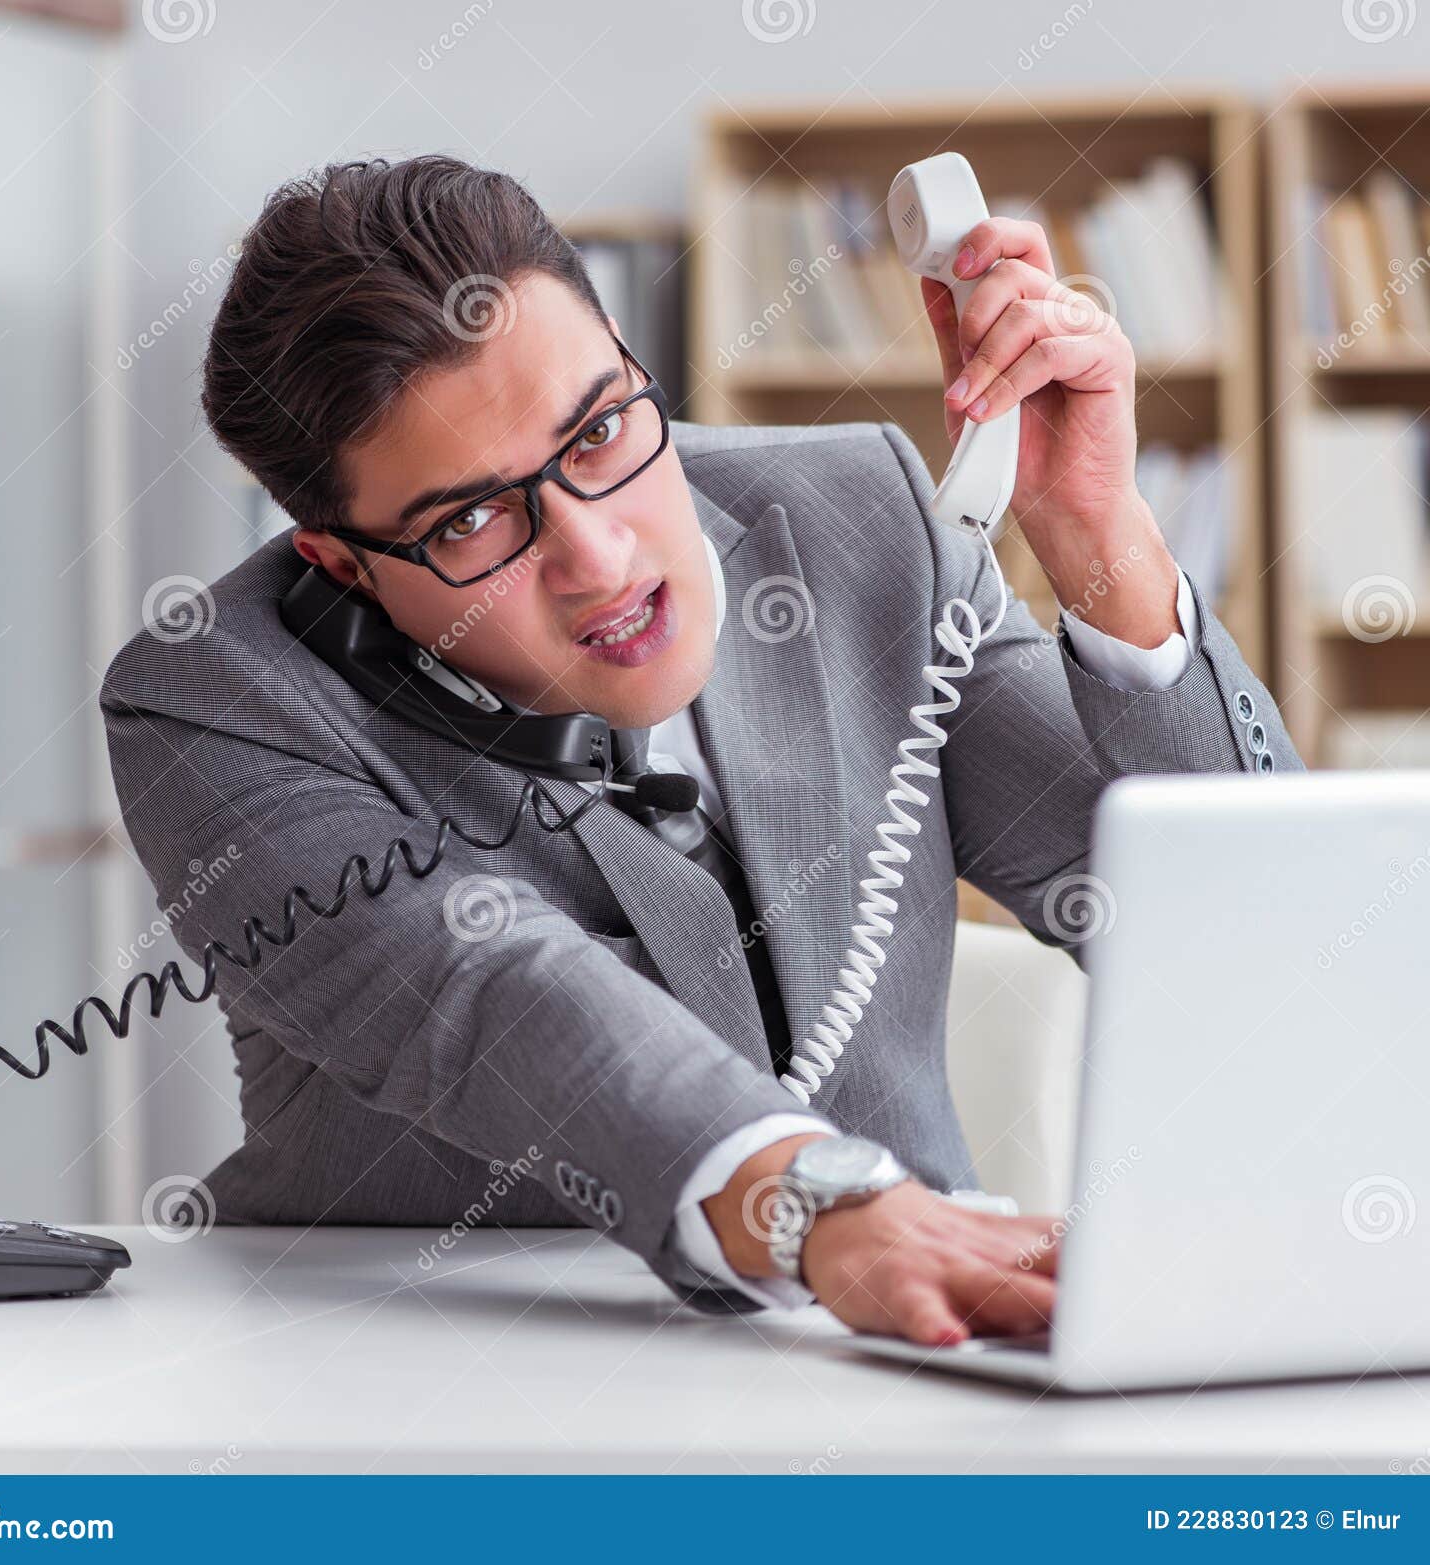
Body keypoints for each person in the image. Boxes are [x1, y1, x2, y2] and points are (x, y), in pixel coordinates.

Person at [100, 154, 1299, 1345]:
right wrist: (822, 1207)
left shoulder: (860, 521)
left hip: (917, 1330)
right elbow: (488, 993)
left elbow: (1257, 931)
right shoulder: (218, 695)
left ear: (629, 354)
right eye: (468, 519)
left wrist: (1099, 536)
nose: (599, 558)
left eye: (600, 429)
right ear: (342, 567)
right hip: (445, 1358)